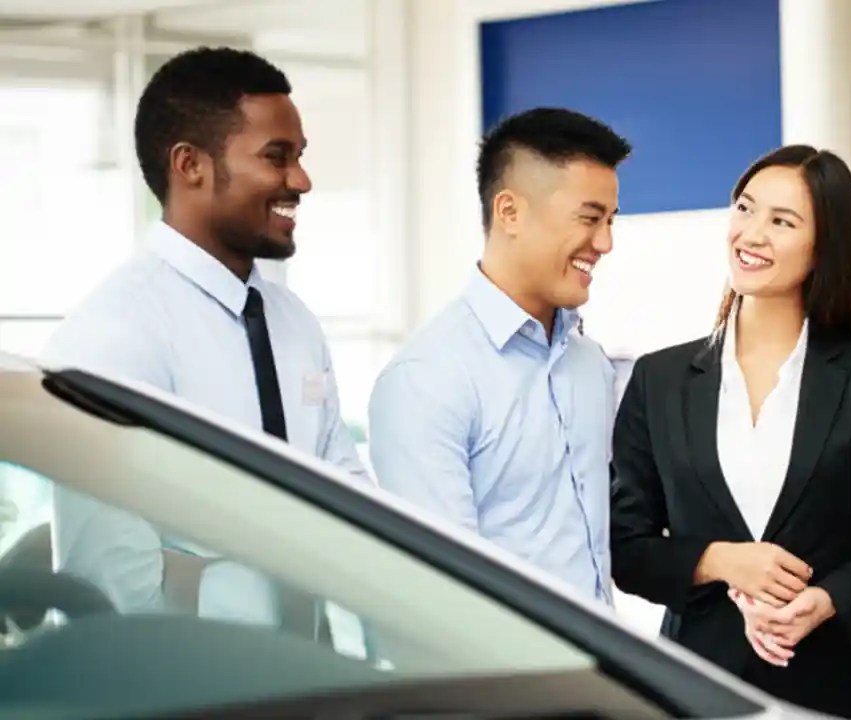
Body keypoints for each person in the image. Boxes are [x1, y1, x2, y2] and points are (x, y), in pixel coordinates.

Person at [42, 47, 368, 617]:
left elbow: (347, 500)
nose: (302, 180)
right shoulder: (111, 335)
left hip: (311, 681)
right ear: (190, 165)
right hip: (190, 686)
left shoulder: (292, 321)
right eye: (277, 156)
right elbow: (110, 586)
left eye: (299, 156)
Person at [611, 145, 851, 719]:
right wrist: (722, 561)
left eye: (781, 221)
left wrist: (830, 599)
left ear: (823, 246)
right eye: (745, 209)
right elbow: (627, 549)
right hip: (694, 686)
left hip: (831, 686)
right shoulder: (659, 379)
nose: (751, 234)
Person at [368, 107, 630, 606]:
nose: (605, 243)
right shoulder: (428, 378)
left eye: (611, 220)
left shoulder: (589, 364)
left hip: (597, 671)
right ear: (509, 212)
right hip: (505, 677)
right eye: (590, 218)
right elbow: (440, 590)